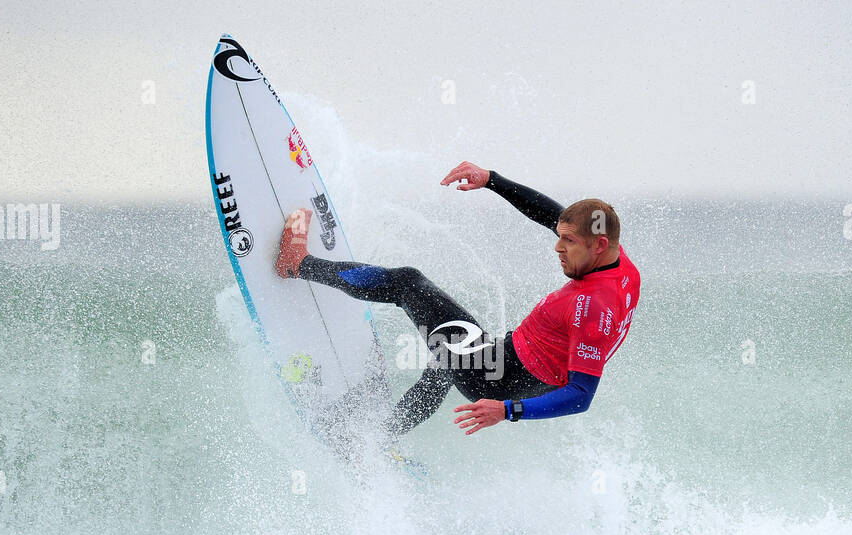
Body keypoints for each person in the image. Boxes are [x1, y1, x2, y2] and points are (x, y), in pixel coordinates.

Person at [274, 161, 640, 436]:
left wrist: (507, 410)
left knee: (408, 284)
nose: (558, 247)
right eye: (561, 236)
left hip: (497, 377)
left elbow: (580, 395)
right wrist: (492, 180)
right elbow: (551, 215)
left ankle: (297, 264)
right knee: (446, 358)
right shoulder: (619, 265)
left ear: (599, 244)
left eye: (568, 242)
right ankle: (383, 438)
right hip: (506, 362)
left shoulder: (595, 308)